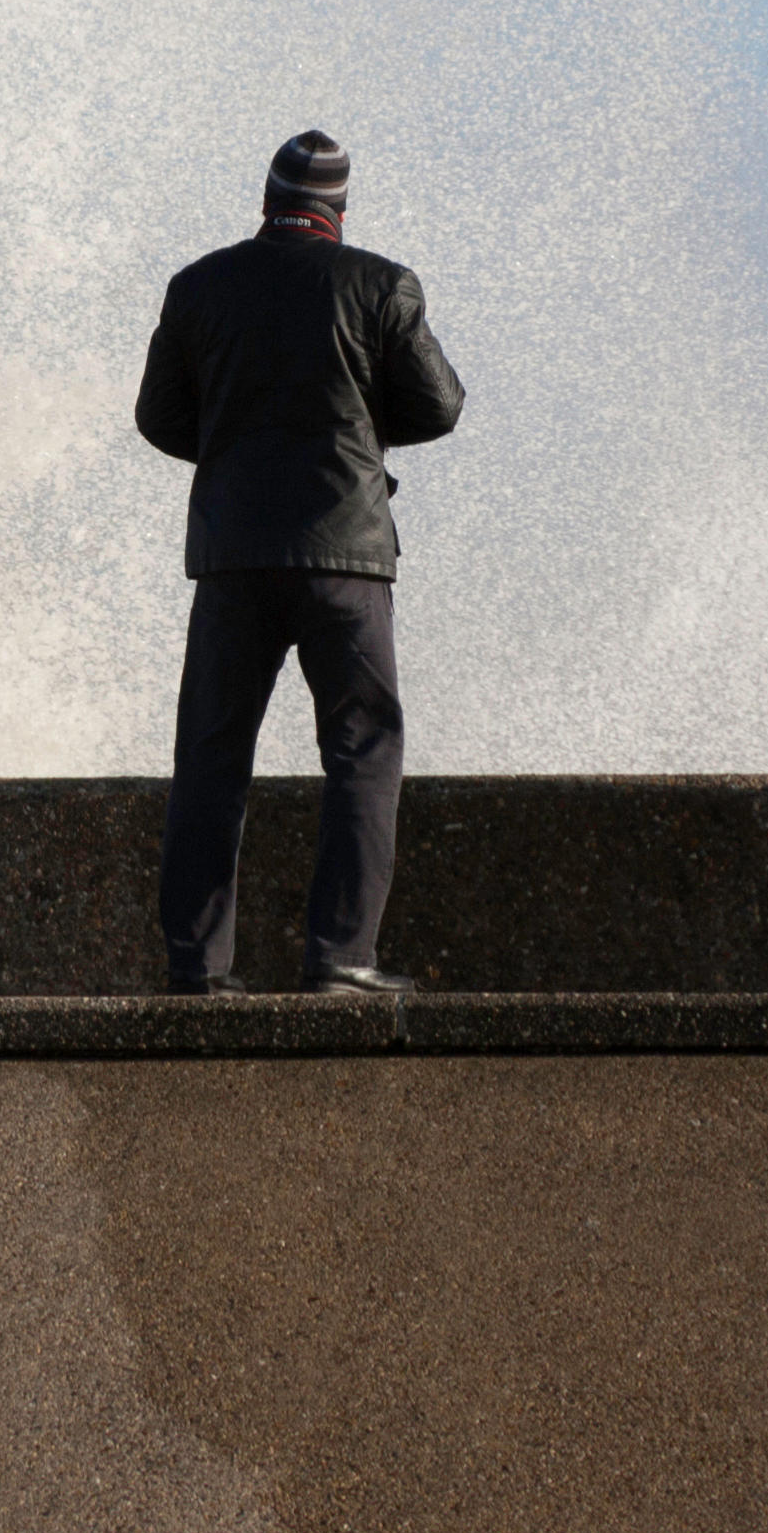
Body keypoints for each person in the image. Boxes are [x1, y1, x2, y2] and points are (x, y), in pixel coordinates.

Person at [134, 129, 465, 995]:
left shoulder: (200, 286)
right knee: (362, 751)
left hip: (234, 558)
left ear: (267, 201)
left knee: (211, 759)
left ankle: (196, 970)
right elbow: (439, 407)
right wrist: (360, 419)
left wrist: (233, 444)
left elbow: (160, 418)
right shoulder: (380, 285)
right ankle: (342, 958)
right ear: (339, 212)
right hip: (346, 561)